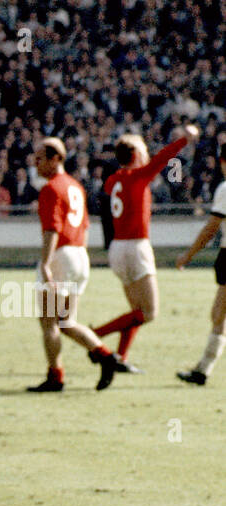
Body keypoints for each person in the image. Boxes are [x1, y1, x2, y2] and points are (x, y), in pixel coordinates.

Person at [93, 125, 199, 370]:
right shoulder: (139, 175)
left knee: (135, 312)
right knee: (149, 313)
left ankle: (120, 358)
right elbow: (164, 158)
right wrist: (184, 139)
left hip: (117, 249)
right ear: (136, 155)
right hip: (136, 246)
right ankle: (95, 334)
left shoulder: (112, 180)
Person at [25, 137, 120, 393]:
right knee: (67, 322)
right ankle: (105, 355)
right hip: (79, 254)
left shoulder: (51, 188)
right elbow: (85, 226)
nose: (36, 163)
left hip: (61, 255)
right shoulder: (75, 186)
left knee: (49, 322)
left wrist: (46, 263)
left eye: (40, 158)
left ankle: (56, 376)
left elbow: (52, 229)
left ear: (56, 158)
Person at [174, 141, 226, 385]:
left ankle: (202, 371)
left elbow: (211, 228)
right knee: (218, 314)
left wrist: (188, 255)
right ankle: (203, 370)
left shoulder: (225, 189)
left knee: (218, 315)